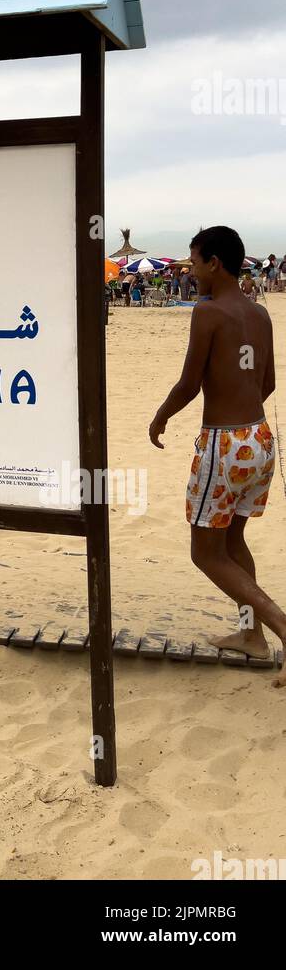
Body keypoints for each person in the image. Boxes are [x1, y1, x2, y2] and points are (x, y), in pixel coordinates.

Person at [148, 225, 283, 680]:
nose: (191, 270)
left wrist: (161, 416)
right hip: (259, 439)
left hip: (224, 444)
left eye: (194, 262)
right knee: (233, 541)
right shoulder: (259, 313)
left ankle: (281, 626)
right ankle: (251, 634)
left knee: (205, 553)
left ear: (214, 263)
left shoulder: (207, 312)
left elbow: (189, 383)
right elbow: (268, 382)